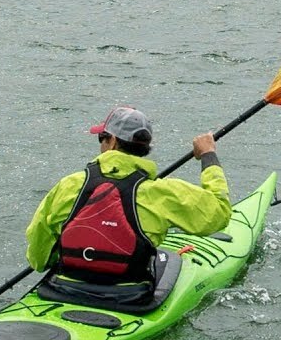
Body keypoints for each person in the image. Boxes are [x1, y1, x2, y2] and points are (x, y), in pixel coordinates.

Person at [25, 106, 231, 285]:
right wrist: (208, 155)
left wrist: (53, 261)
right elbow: (219, 213)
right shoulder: (161, 193)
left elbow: (38, 253)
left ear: (112, 141)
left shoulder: (69, 185)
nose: (100, 145)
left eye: (101, 138)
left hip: (66, 286)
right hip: (129, 295)